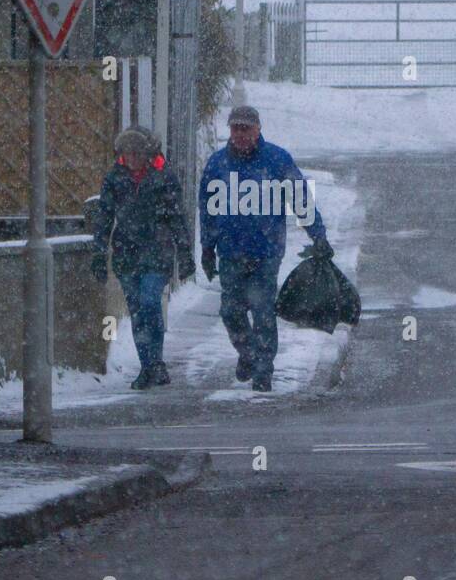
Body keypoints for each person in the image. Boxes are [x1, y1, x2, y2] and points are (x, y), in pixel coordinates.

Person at [198, 105, 332, 392]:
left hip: (266, 251)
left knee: (262, 310)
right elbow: (207, 209)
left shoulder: (276, 160)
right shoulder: (217, 164)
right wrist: (207, 247)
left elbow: (300, 200)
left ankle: (263, 369)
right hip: (231, 251)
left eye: (246, 128)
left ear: (258, 129)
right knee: (230, 312)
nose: (241, 134)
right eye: (235, 128)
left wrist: (318, 235)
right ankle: (247, 353)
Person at [91, 127, 194, 389]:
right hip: (127, 254)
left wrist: (184, 253)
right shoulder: (115, 177)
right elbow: (104, 216)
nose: (131, 158)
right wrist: (99, 253)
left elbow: (177, 217)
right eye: (127, 154)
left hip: (157, 252)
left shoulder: (163, 176)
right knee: (137, 312)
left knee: (149, 301)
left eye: (136, 153)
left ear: (147, 155)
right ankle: (149, 365)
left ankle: (155, 362)